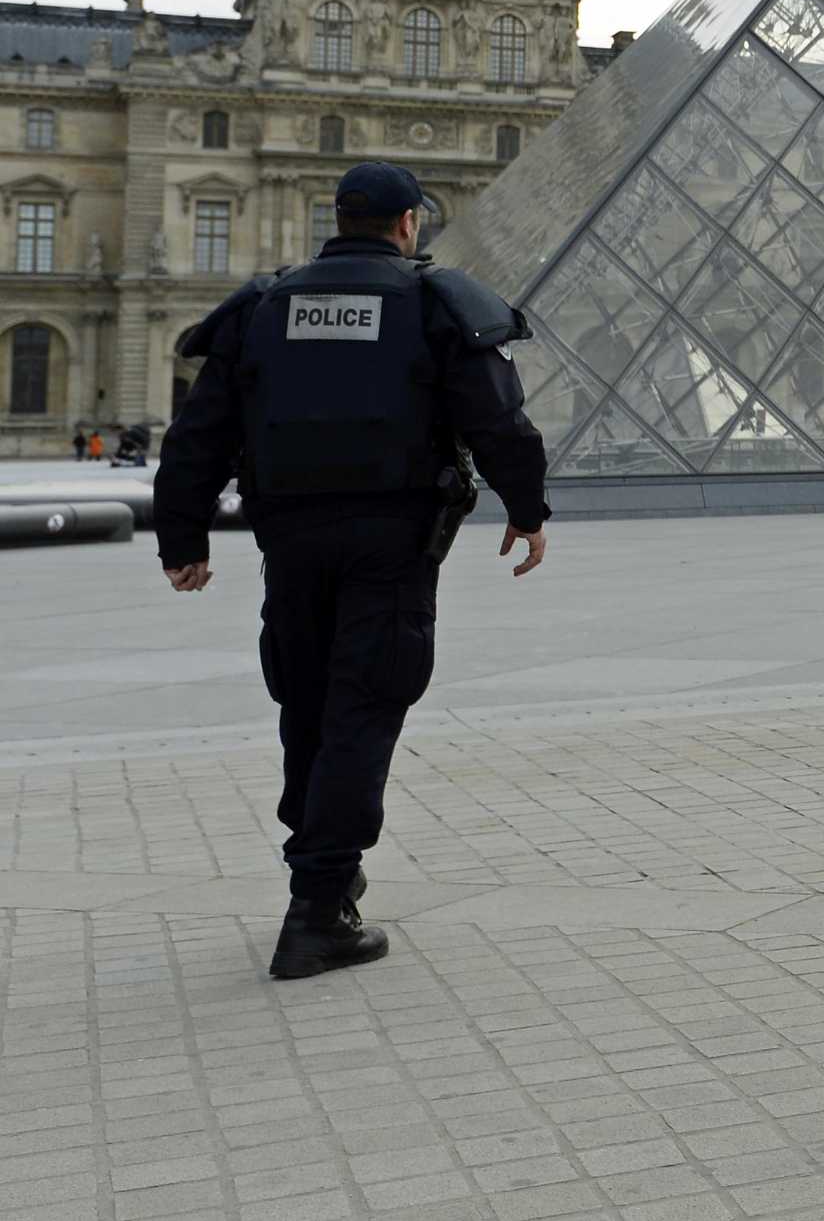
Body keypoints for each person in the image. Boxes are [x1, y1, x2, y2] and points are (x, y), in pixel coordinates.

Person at [151, 161, 552, 980]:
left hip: (288, 538)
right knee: (366, 700)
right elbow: (497, 418)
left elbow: (199, 431)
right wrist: (527, 507)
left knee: (306, 697)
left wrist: (182, 536)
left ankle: (320, 853)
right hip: (392, 539)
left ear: (339, 217)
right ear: (410, 223)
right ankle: (319, 905)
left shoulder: (265, 306)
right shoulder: (436, 303)